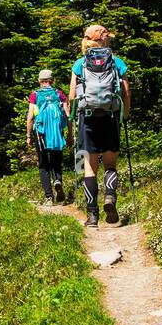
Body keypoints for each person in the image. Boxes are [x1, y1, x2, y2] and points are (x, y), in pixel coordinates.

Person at [68, 25, 131, 229]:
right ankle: (110, 198)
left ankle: (92, 217)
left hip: (87, 119)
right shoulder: (117, 62)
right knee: (110, 164)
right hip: (110, 116)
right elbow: (126, 93)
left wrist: (72, 117)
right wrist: (124, 116)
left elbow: (71, 95)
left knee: (89, 169)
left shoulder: (80, 63)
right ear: (103, 40)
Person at [27, 69, 69, 204]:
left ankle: (49, 197)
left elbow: (30, 117)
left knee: (43, 164)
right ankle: (57, 180)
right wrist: (70, 136)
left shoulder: (35, 95)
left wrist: (28, 135)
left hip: (41, 133)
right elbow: (68, 116)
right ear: (52, 80)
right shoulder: (59, 94)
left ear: (40, 81)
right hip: (57, 132)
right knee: (56, 160)